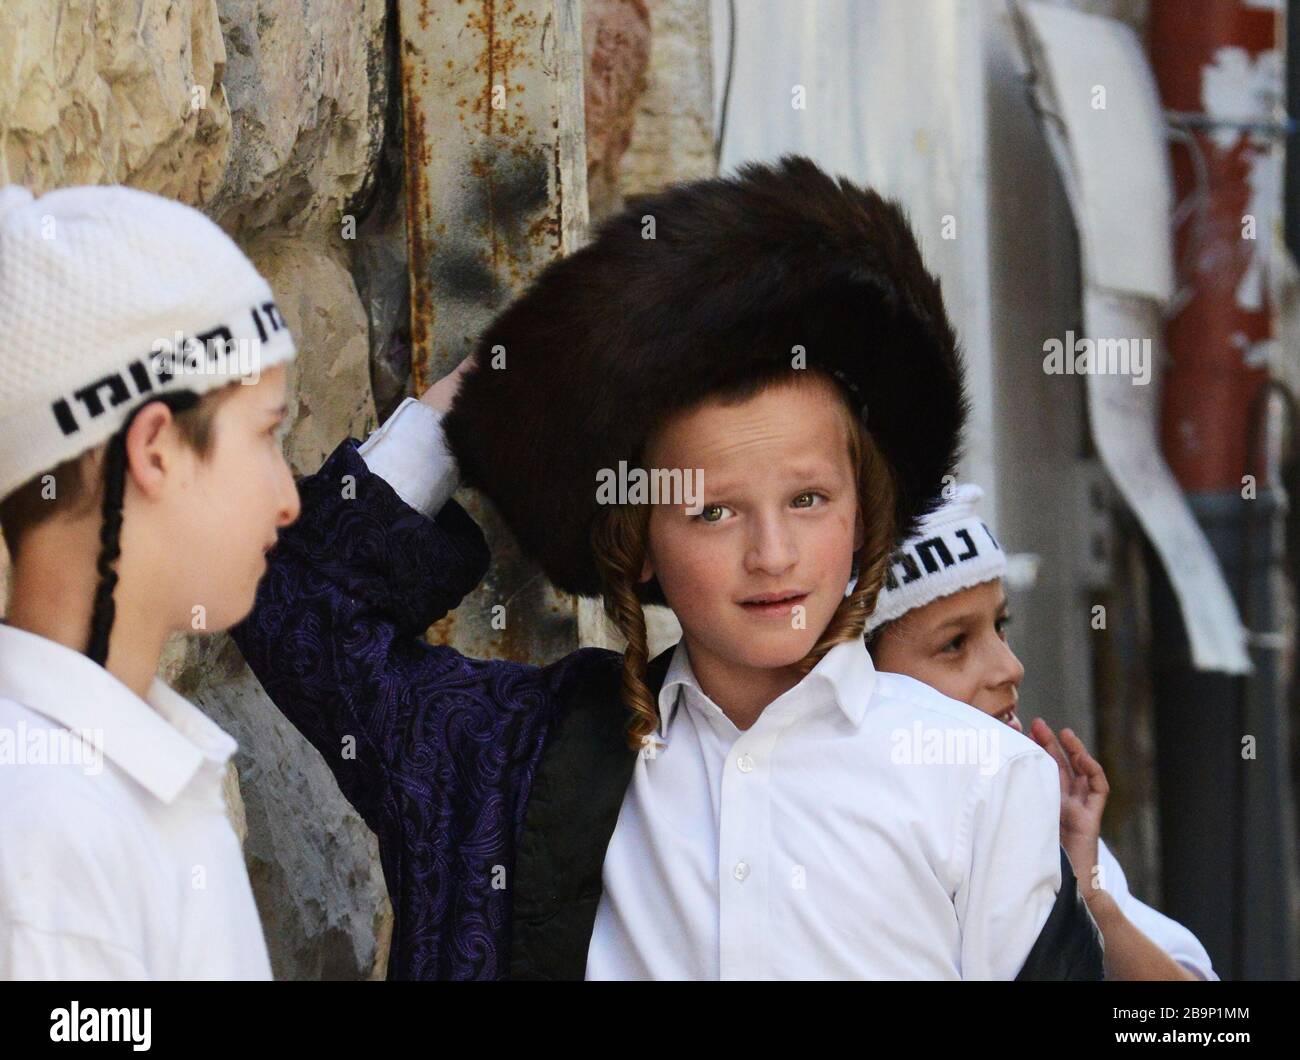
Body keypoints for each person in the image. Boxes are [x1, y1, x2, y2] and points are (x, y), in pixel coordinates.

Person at [234, 155, 1102, 979]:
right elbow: (299, 606)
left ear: (864, 511)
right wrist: (469, 402)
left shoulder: (979, 778)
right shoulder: (513, 761)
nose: (772, 554)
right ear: (642, 537)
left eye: (807, 500)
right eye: (712, 511)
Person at [0, 184, 301, 979]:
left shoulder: (118, 778)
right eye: (267, 434)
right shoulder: (49, 831)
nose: (289, 497)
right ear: (156, 448)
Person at [866, 483, 1217, 980]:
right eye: (955, 645)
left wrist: (1089, 896)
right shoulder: (839, 845)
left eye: (1001, 626)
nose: (1010, 667)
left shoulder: (1041, 824)